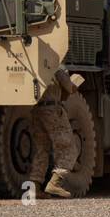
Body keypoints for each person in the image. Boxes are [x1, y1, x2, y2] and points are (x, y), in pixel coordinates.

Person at [32, 67, 80, 198]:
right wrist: (74, 84)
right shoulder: (56, 65)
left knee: (42, 149)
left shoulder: (34, 62)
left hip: (36, 109)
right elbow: (69, 88)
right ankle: (55, 183)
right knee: (68, 148)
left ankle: (34, 186)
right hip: (52, 109)